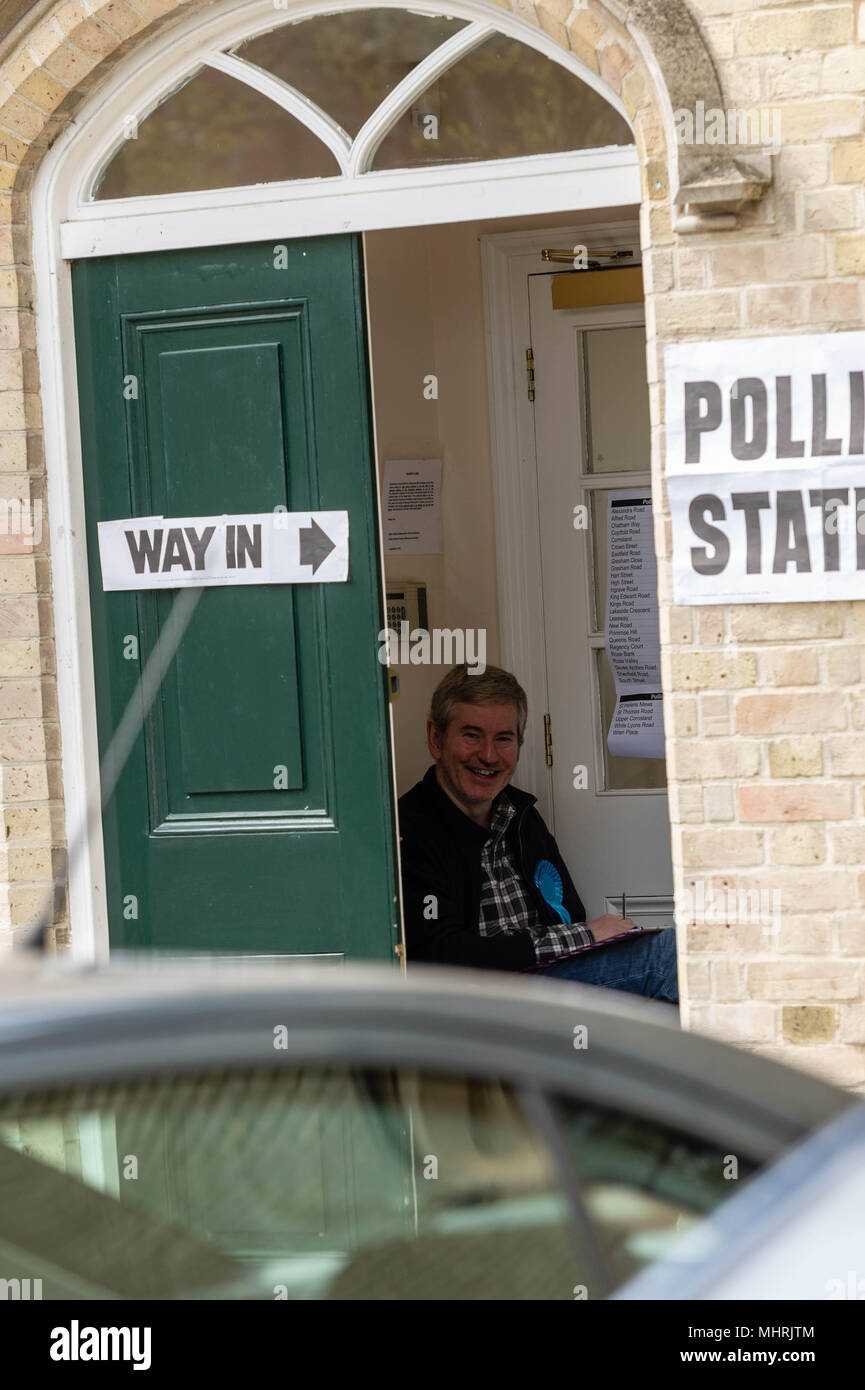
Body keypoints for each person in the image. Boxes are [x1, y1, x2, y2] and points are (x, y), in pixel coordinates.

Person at [398, 664, 678, 1003]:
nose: (488, 755)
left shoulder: (521, 815)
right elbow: (442, 955)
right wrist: (585, 935)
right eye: (472, 735)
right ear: (435, 738)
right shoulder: (409, 829)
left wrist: (587, 939)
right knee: (667, 957)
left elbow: (566, 914)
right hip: (476, 1004)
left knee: (668, 976)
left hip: (546, 982)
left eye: (503, 738)